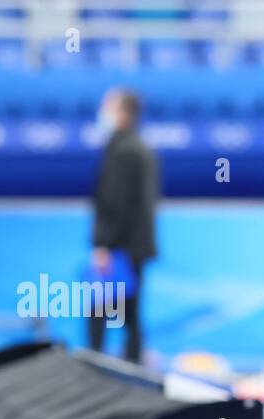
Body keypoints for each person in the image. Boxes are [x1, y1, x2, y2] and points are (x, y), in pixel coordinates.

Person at [90, 87, 158, 364]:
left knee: (101, 310)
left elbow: (116, 203)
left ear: (124, 114)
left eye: (108, 107)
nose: (102, 113)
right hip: (135, 247)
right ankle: (132, 364)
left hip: (121, 249)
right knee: (129, 314)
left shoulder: (123, 151)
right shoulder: (140, 148)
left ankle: (96, 366)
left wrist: (104, 245)